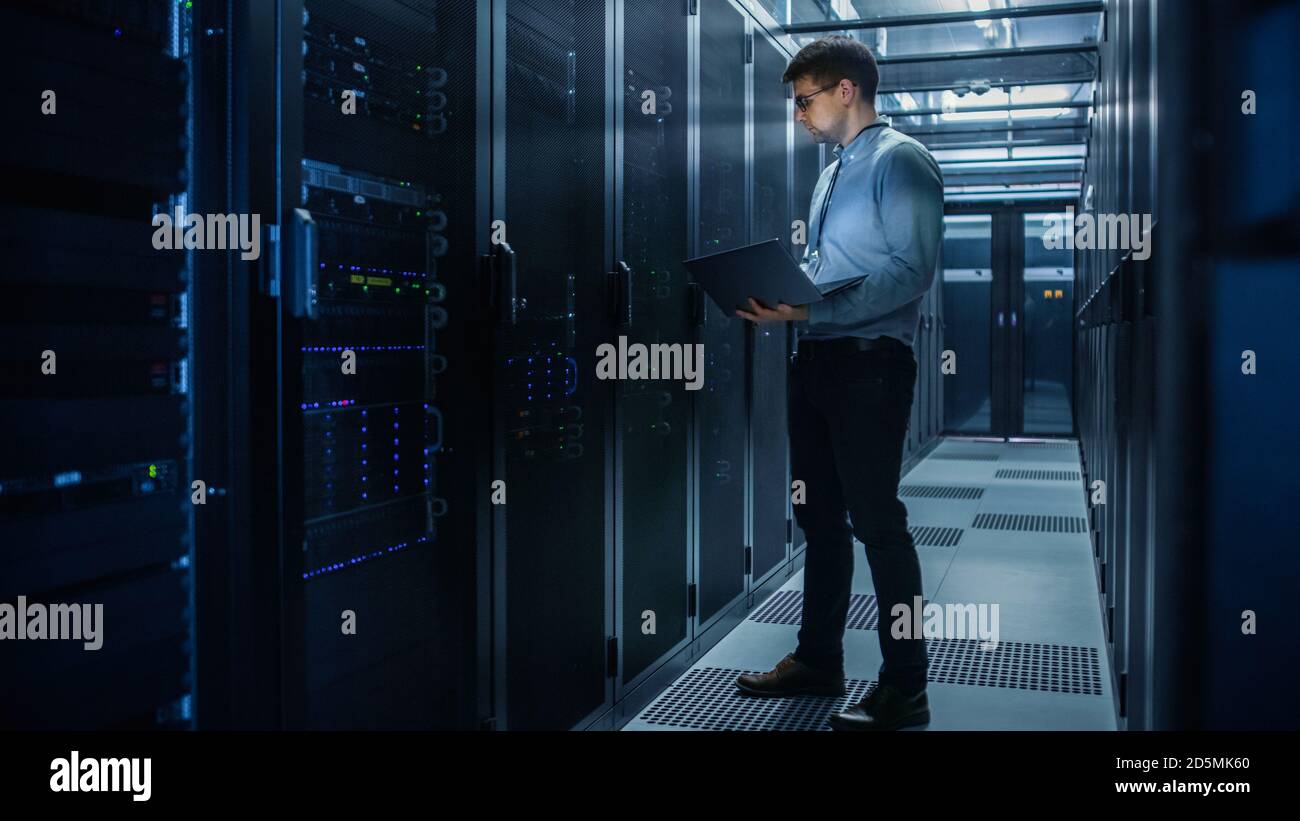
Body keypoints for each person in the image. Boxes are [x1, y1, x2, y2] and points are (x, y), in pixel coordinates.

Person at [733, 35, 944, 731]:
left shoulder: (901, 161)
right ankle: (819, 659)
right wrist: (781, 297)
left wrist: (810, 305)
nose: (799, 115)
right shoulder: (831, 174)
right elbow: (836, 268)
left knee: (879, 525)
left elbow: (909, 271)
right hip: (818, 359)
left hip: (870, 364)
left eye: (805, 100)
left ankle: (905, 686)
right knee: (819, 521)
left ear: (845, 90)